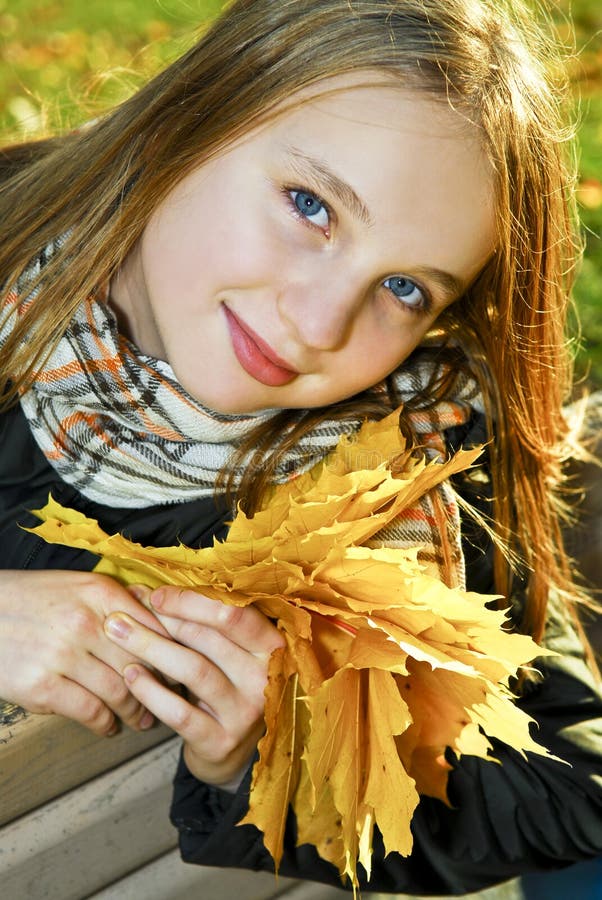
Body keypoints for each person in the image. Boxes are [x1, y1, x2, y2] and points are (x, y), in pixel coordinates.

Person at [0, 0, 600, 895]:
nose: (319, 324)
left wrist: (263, 766)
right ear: (191, 119)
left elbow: (561, 782)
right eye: (310, 206)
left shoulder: (408, 465)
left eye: (403, 287)